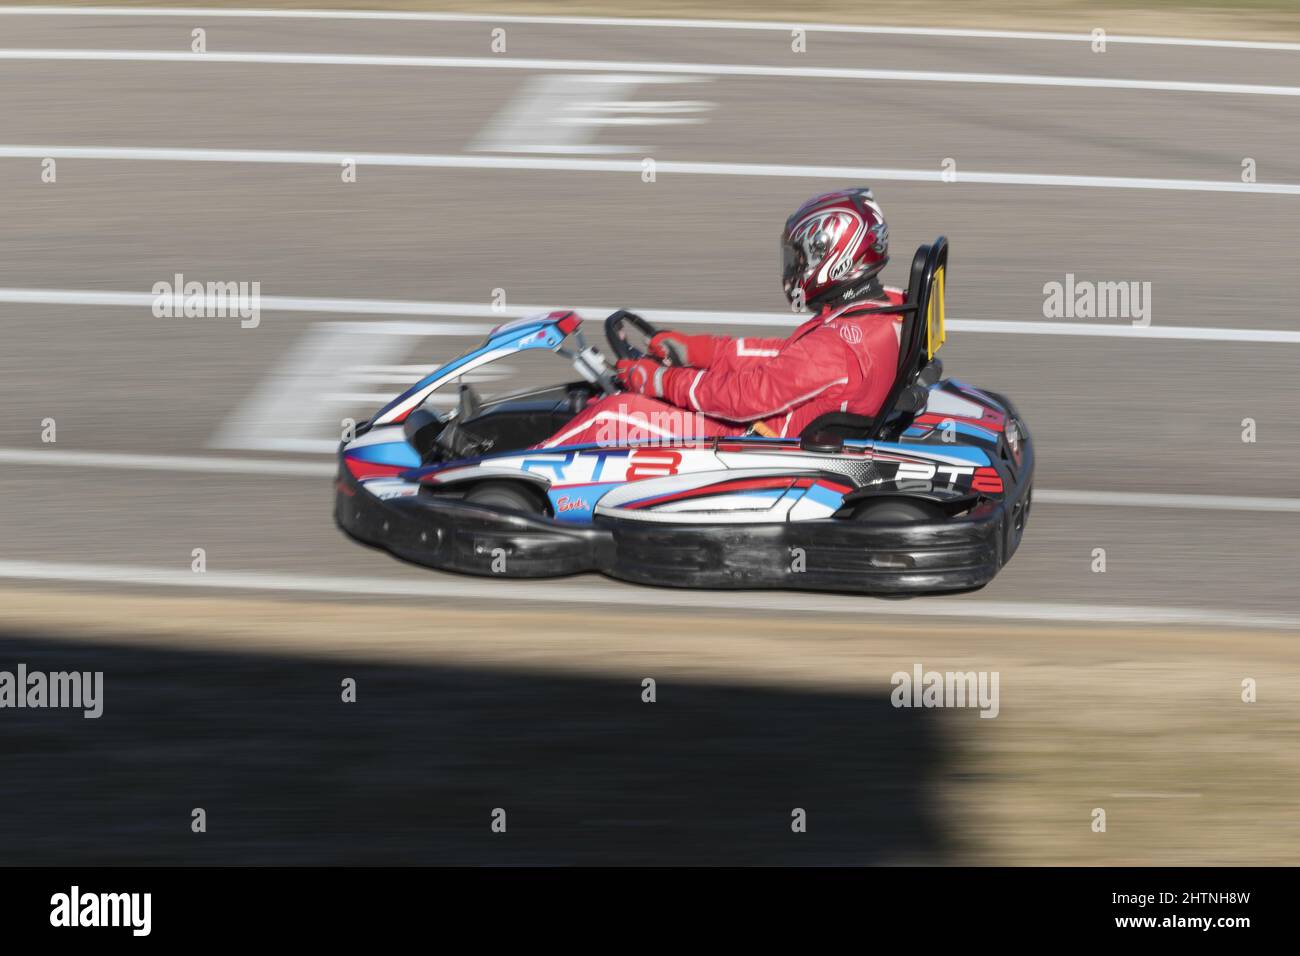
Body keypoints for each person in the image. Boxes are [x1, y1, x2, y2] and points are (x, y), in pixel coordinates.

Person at [537, 187, 904, 449]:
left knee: (613, 413)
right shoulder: (875, 314)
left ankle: (516, 479)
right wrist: (698, 351)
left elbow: (747, 397)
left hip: (753, 446)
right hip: (772, 429)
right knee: (622, 396)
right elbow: (780, 360)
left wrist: (661, 381)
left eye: (800, 258)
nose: (794, 269)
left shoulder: (837, 345)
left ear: (833, 255)